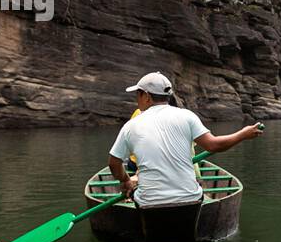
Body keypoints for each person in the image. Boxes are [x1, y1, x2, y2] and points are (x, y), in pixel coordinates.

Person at [107, 72, 262, 207]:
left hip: (149, 203)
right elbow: (214, 145)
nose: (137, 99)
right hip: (191, 200)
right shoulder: (187, 116)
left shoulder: (131, 125)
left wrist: (126, 181)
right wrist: (243, 134)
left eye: (138, 94)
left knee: (138, 195)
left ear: (146, 97)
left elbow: (114, 164)